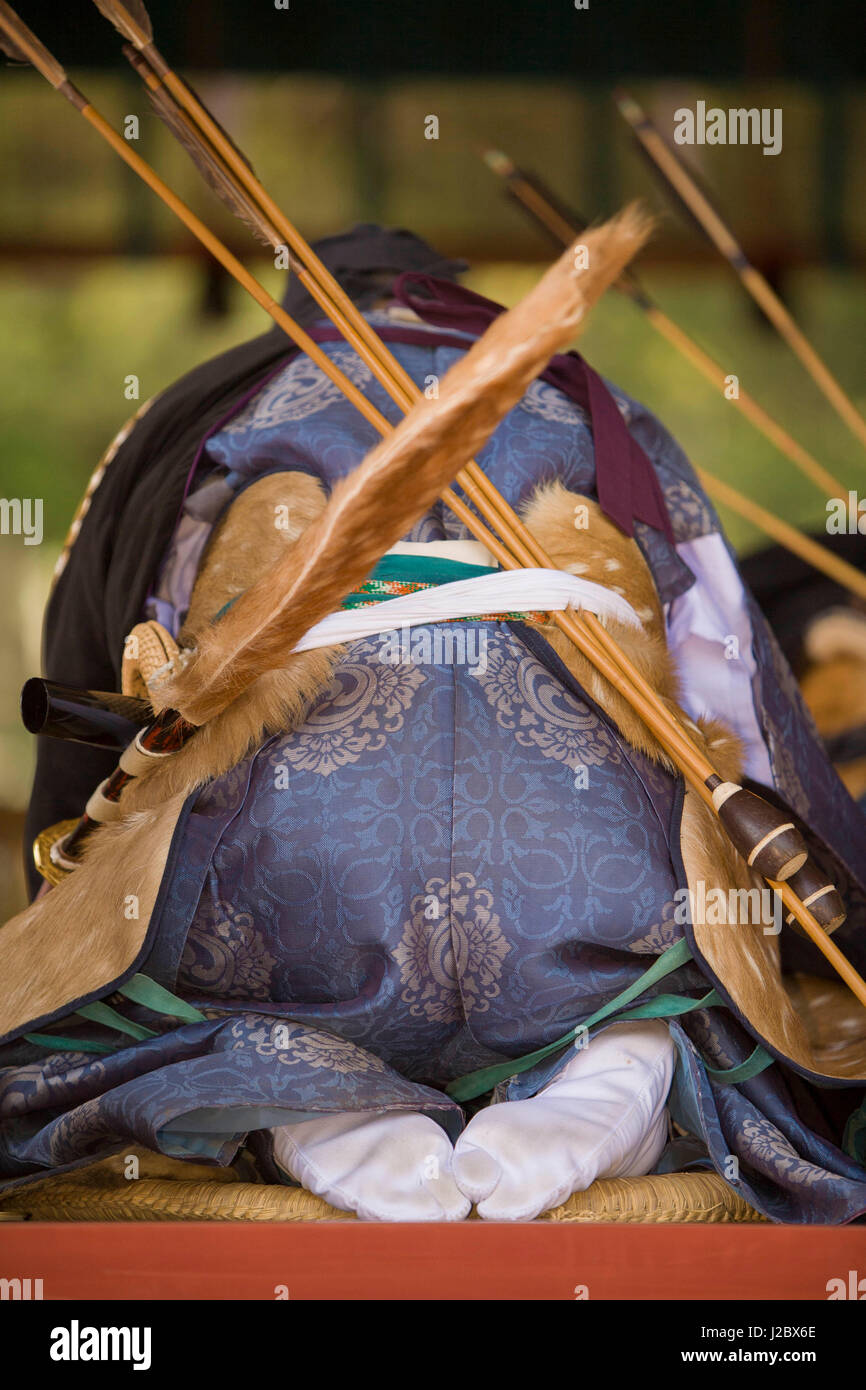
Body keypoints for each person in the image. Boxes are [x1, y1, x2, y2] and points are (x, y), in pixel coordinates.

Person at [2, 225, 865, 1223]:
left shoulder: (207, 417)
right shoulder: (591, 405)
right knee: (676, 990)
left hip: (295, 889)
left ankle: (308, 1106)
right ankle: (618, 1073)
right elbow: (732, 683)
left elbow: (118, 696)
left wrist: (67, 884)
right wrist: (816, 897)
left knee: (119, 1010)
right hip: (576, 887)